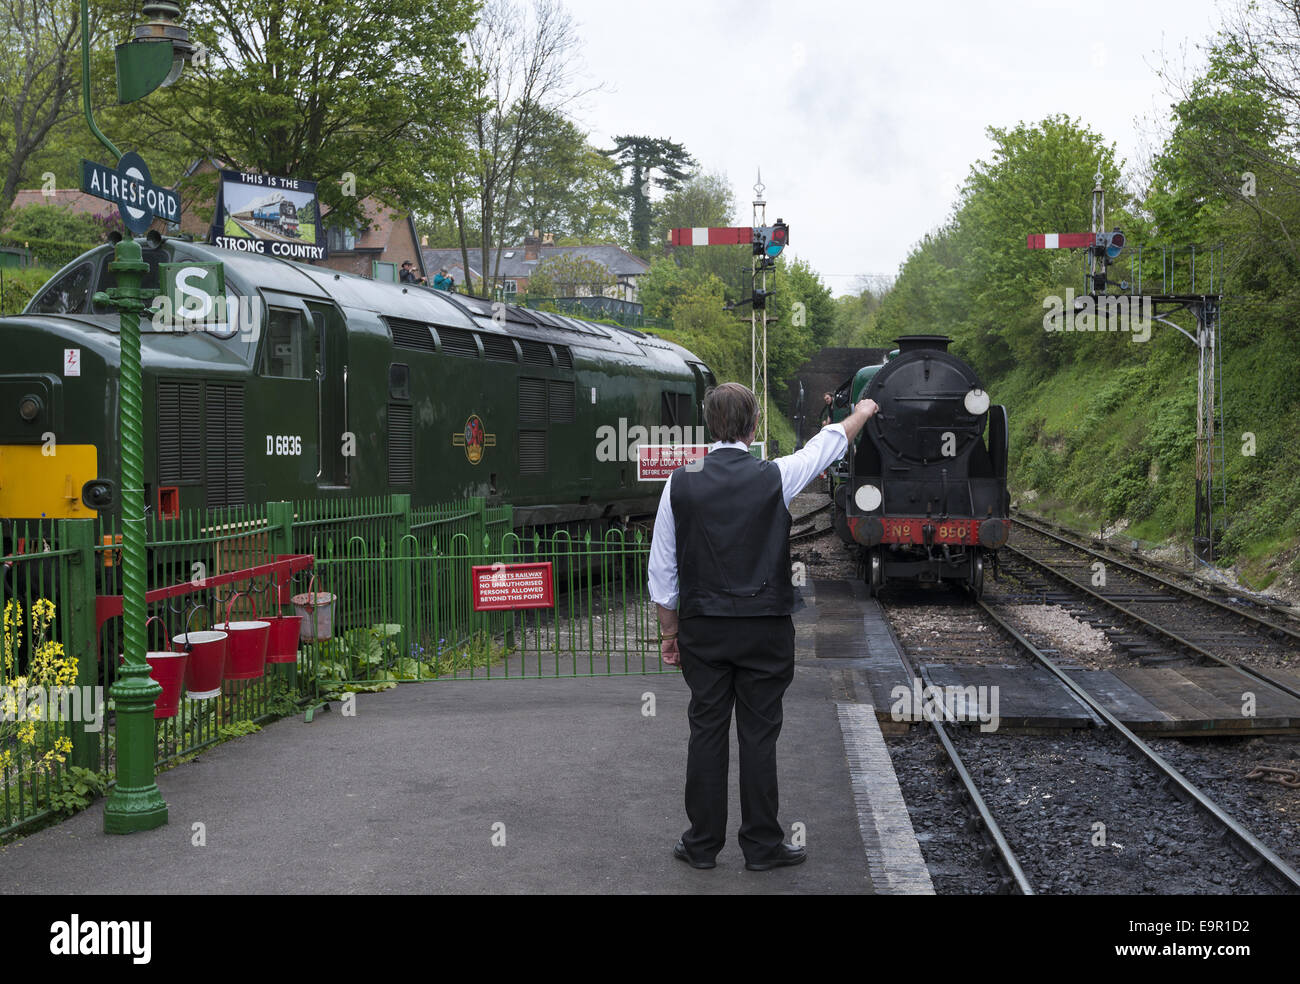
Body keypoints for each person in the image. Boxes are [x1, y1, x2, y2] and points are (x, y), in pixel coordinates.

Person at [648, 382, 879, 871]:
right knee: (758, 734)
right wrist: (861, 412)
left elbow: (662, 570)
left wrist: (670, 633)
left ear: (710, 425)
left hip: (704, 629)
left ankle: (702, 844)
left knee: (706, 731)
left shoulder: (680, 481)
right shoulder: (774, 474)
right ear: (754, 426)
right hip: (764, 628)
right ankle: (762, 846)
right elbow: (828, 444)